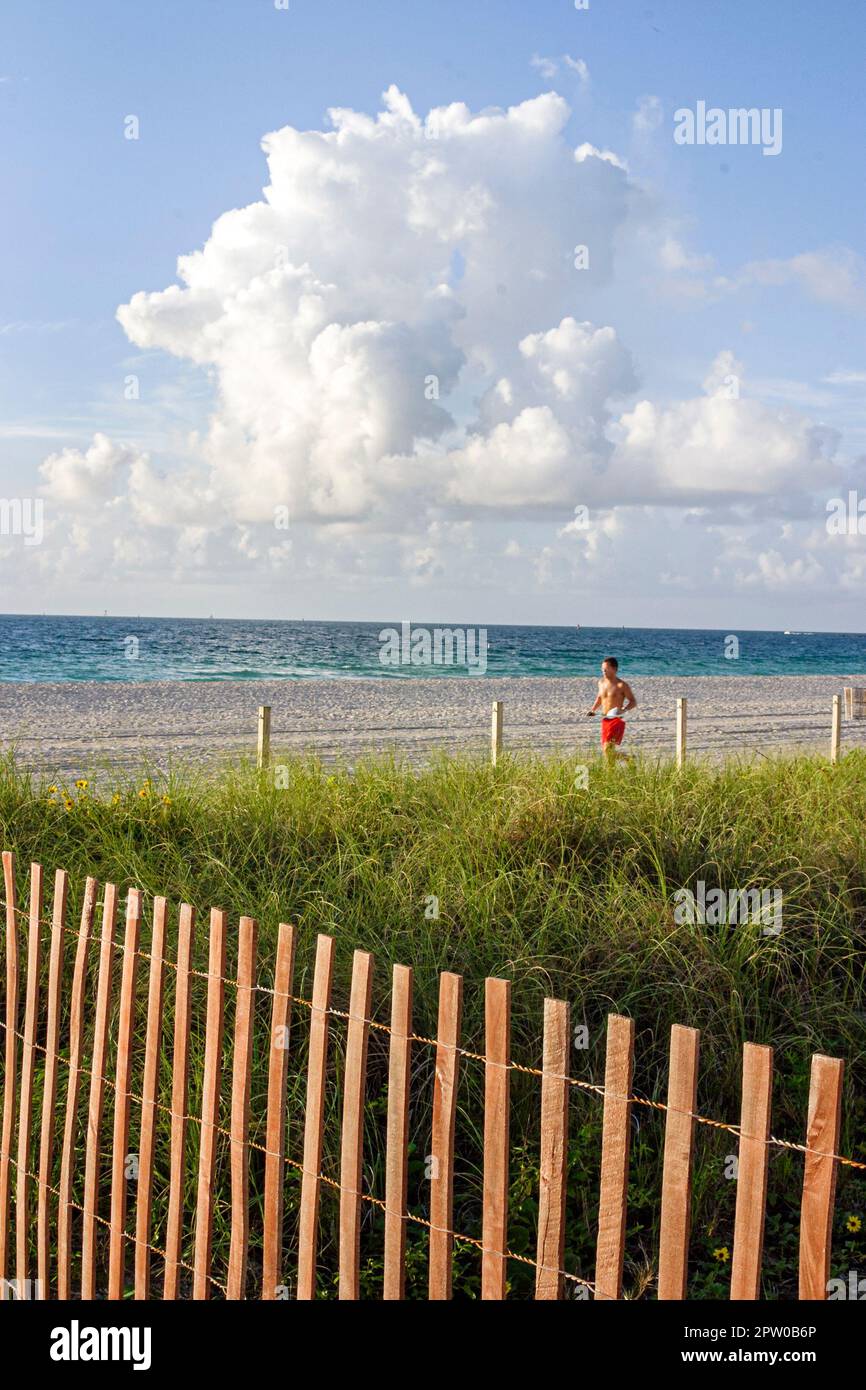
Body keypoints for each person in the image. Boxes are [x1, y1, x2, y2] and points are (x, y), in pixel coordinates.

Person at [586, 656, 637, 757]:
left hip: (616, 720)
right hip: (605, 719)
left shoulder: (621, 685)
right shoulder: (601, 683)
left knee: (607, 750)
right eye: (602, 668)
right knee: (608, 752)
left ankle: (628, 759)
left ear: (614, 669)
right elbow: (600, 698)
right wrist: (593, 710)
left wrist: (624, 710)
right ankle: (628, 758)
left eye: (606, 668)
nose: (603, 671)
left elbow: (633, 702)